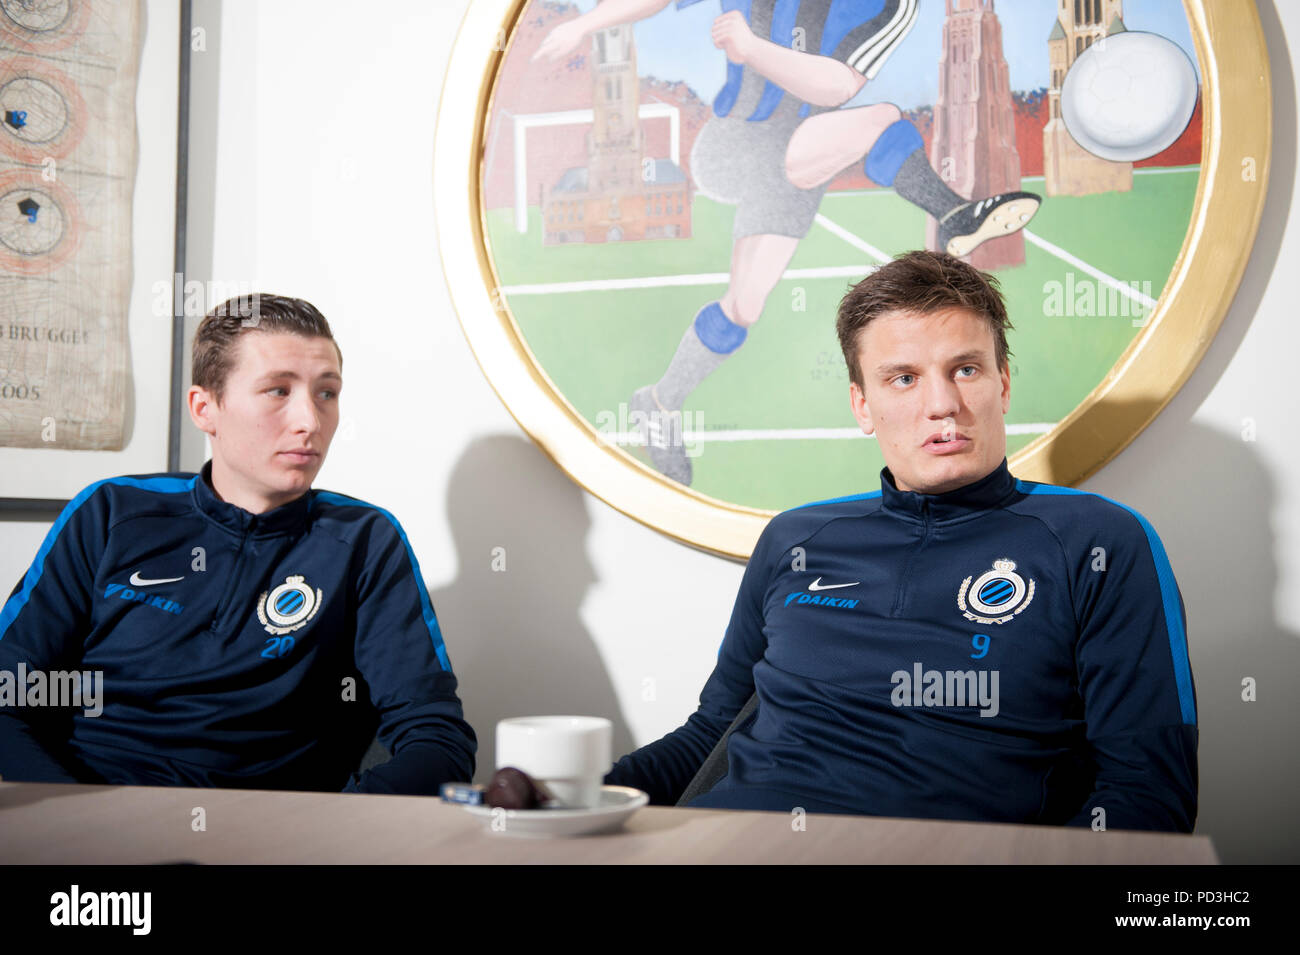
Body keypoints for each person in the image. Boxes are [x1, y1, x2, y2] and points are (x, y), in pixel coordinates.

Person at [605, 250, 1198, 832]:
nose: (942, 405)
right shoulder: (794, 539)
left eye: (966, 369)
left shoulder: (1098, 542)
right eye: (905, 379)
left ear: (1003, 384)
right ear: (863, 404)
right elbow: (710, 737)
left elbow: (1148, 794)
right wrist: (583, 793)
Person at [536, 0, 1040, 485]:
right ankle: (953, 212)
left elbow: (837, 85)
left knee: (742, 307)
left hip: (798, 159)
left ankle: (659, 401)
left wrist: (751, 46)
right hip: (738, 144)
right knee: (881, 118)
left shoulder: (891, 5)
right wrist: (584, 25)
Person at [0, 295, 476, 794]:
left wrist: (334, 824)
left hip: (274, 828)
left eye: (327, 393)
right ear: (205, 408)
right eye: (277, 391)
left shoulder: (363, 541)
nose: (310, 421)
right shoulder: (111, 513)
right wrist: (68, 812)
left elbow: (437, 738)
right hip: (92, 809)